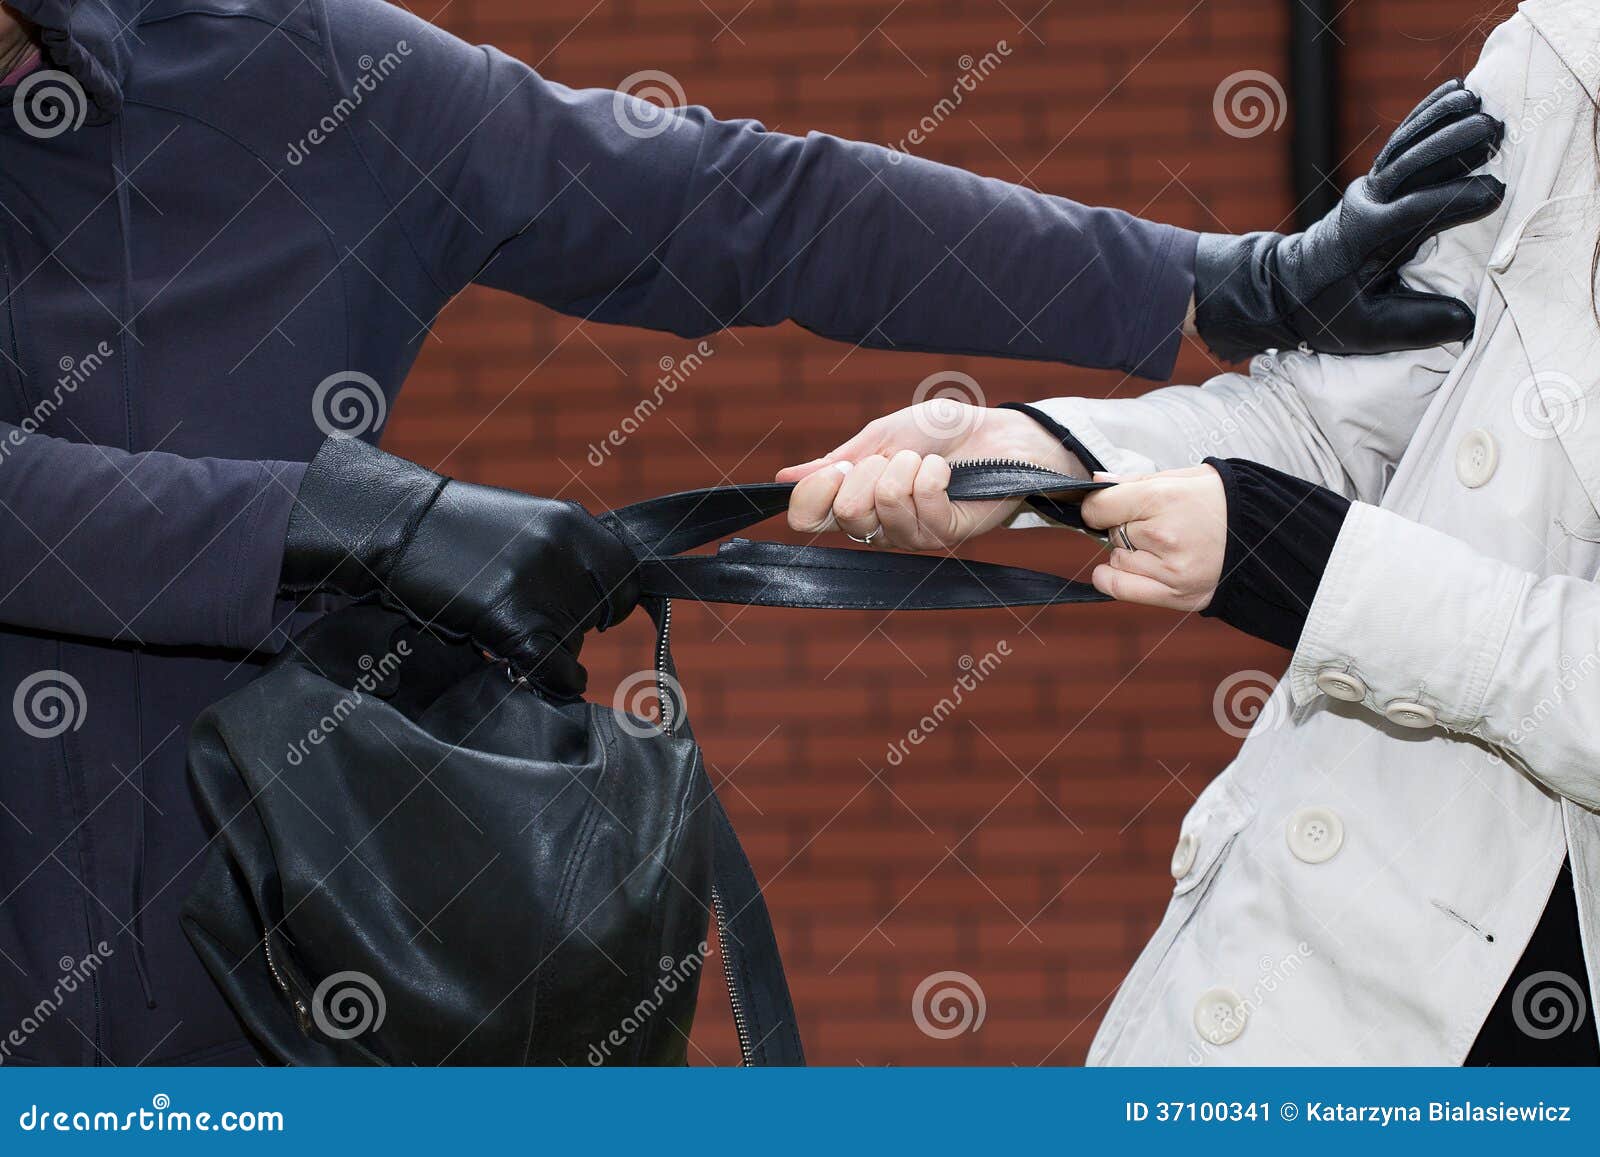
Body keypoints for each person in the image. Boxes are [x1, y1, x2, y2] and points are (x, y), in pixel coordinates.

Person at [0, 0, 1501, 1065]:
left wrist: (1212, 282)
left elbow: (750, 205)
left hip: (285, 994)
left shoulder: (298, 73)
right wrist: (328, 516)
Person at [783, 0, 1600, 1065]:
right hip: (1332, 988)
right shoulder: (1558, 58)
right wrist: (1039, 455)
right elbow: (1341, 415)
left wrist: (1308, 566)